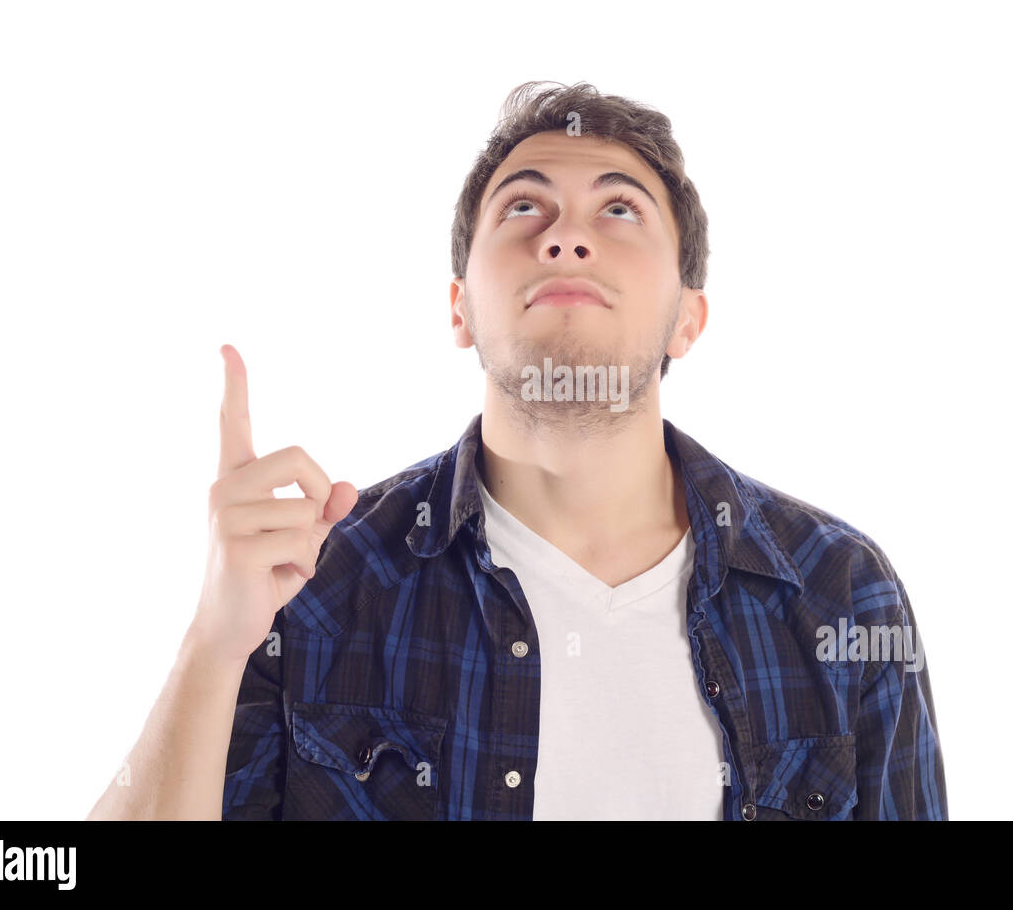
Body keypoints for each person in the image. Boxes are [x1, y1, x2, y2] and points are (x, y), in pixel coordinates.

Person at [87, 81, 947, 821]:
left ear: (689, 316)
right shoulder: (316, 584)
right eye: (523, 207)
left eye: (619, 209)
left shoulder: (841, 595)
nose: (567, 238)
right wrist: (211, 643)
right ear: (459, 307)